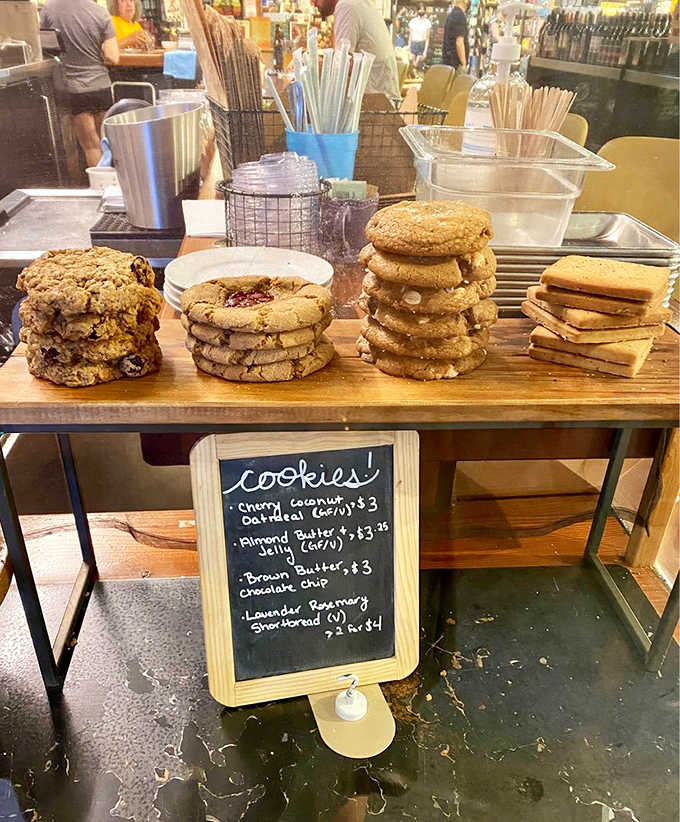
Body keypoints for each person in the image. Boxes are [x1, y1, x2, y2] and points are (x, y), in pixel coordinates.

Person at [40, 0, 119, 169]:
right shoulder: (100, 13)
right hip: (101, 86)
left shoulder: (49, 9)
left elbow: (45, 49)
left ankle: (99, 188)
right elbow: (113, 56)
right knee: (107, 142)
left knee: (91, 146)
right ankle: (113, 187)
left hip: (73, 88)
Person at [312, 0, 401, 104]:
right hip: (384, 104)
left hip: (376, 109)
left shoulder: (347, 6)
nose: (313, 3)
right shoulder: (357, 3)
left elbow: (341, 68)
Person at [442, 0, 469, 72]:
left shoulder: (450, 14)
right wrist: (464, 63)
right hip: (456, 63)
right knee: (459, 82)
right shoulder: (460, 16)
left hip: (448, 62)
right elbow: (459, 42)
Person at [408, 6, 431, 72]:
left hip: (422, 43)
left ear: (425, 11)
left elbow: (427, 38)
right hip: (413, 43)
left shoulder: (427, 22)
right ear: (417, 10)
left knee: (418, 64)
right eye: (420, 9)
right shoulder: (412, 21)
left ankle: (418, 76)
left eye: (423, 9)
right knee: (412, 63)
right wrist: (409, 49)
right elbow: (410, 36)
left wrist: (425, 51)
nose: (421, 11)